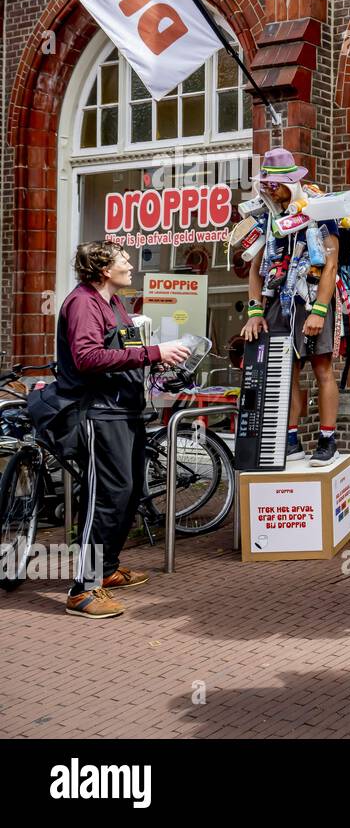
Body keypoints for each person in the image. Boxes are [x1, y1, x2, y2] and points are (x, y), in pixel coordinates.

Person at [59, 242, 191, 618]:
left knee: (129, 491)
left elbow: (126, 352)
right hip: (99, 414)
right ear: (103, 269)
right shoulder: (82, 303)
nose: (131, 265)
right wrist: (154, 353)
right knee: (107, 496)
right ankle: (83, 588)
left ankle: (108, 568)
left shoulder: (115, 304)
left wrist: (161, 365)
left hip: (125, 411)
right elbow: (87, 358)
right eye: (124, 260)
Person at [240, 148, 342, 466]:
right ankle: (291, 439)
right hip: (278, 302)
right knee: (286, 372)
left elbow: (331, 264)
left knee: (322, 369)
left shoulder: (319, 208)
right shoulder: (266, 217)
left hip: (311, 299)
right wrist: (255, 313)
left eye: (274, 183)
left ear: (290, 182)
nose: (268, 188)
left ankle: (328, 440)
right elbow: (256, 270)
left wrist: (320, 310)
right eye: (265, 183)